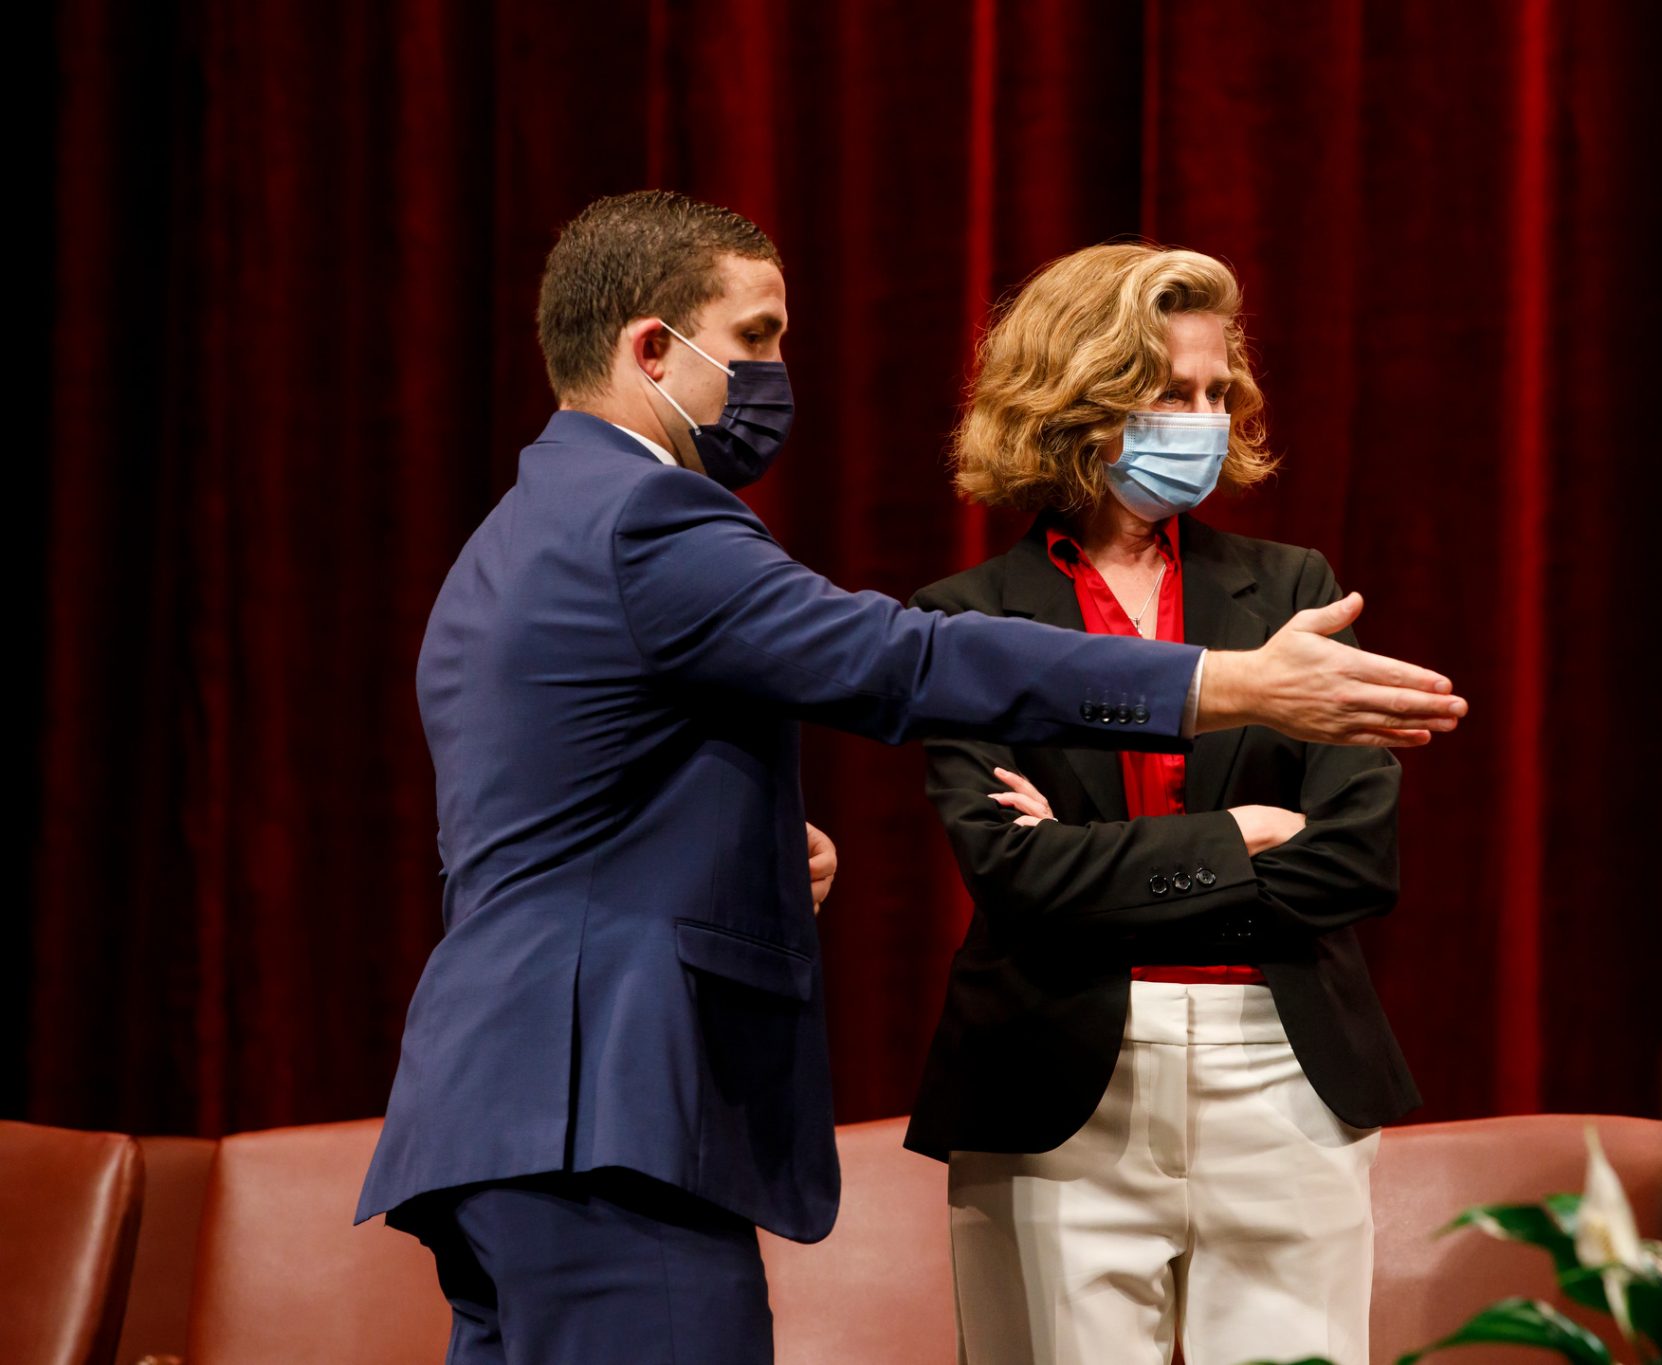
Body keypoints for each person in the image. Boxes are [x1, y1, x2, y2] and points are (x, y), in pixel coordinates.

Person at [354, 192, 1467, 1365]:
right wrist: (1219, 688)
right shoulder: (648, 517)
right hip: (599, 1111)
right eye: (758, 339)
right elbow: (901, 660)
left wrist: (745, 854)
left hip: (507, 1108)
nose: (780, 372)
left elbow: (546, 811)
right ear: (648, 347)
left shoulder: (523, 523)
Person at [909, 243, 1424, 1365]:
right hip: (1051, 1079)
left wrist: (1102, 861)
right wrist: (1235, 833)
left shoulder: (1291, 589)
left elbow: (1355, 861)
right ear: (1075, 403)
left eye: (1210, 392)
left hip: (1283, 1067)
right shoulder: (965, 620)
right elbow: (1010, 877)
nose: (1199, 419)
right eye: (1165, 394)